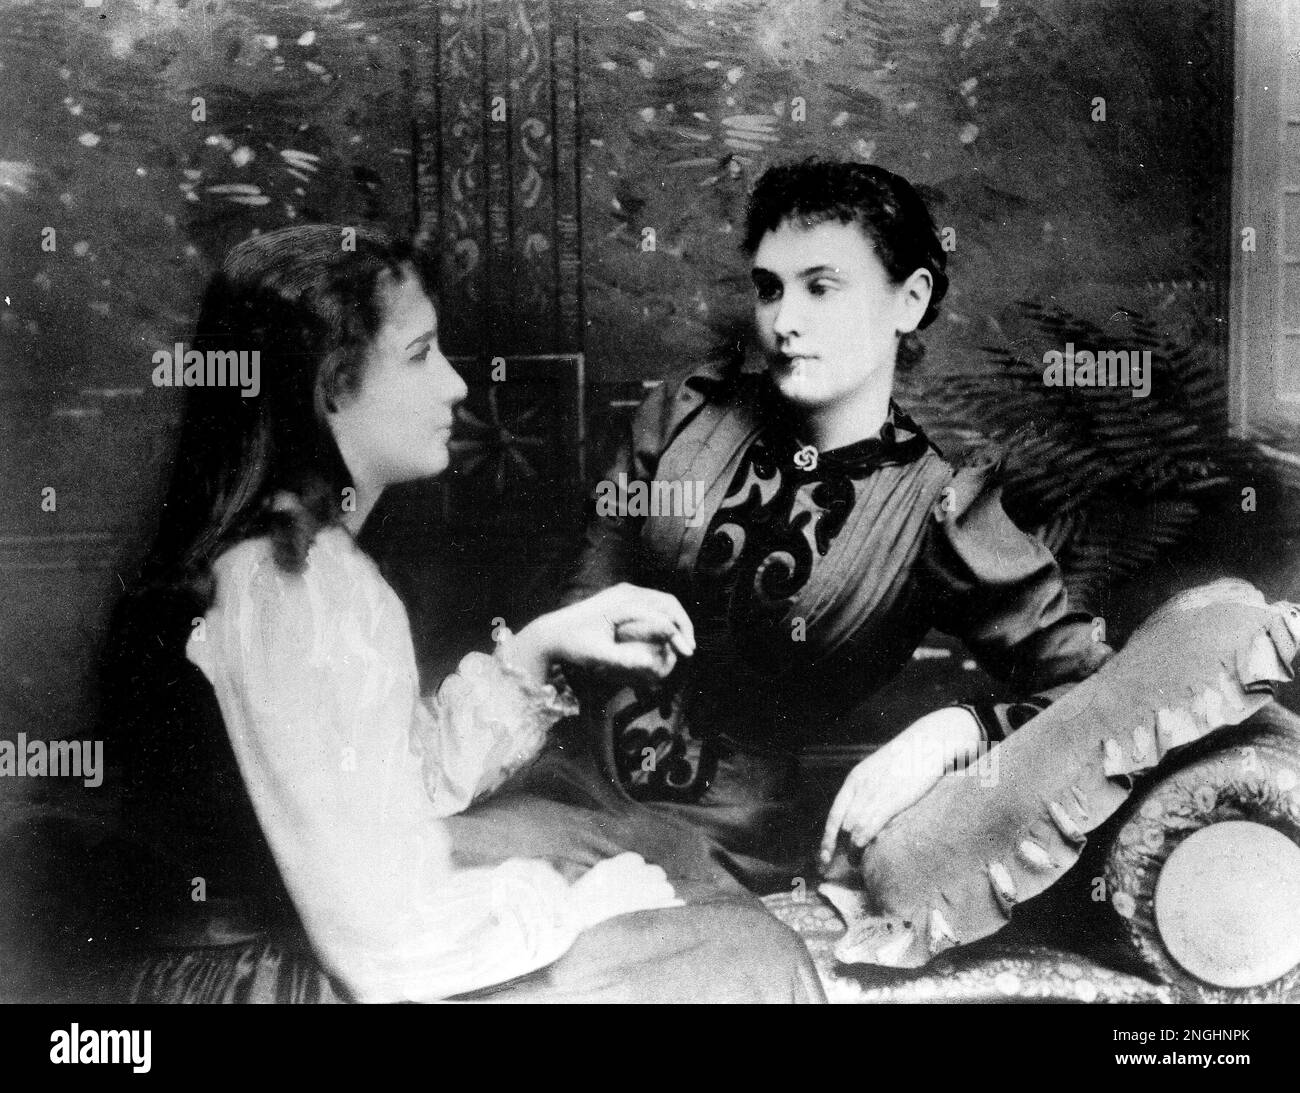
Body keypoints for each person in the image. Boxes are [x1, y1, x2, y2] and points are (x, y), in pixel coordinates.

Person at [98, 224, 823, 1003]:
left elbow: (387, 788)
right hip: (269, 981)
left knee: (672, 875)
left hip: (321, 942)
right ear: (332, 386)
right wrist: (576, 910)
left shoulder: (318, 563)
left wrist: (540, 648)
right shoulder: (277, 585)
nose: (454, 385)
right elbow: (380, 941)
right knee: (733, 956)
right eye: (419, 355)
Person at [550, 158, 1115, 893]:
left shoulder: (939, 513)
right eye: (770, 289)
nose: (785, 321)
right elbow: (579, 600)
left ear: (909, 301)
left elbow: (1096, 687)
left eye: (822, 288)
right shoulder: (683, 415)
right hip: (563, 773)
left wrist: (958, 732)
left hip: (718, 843)